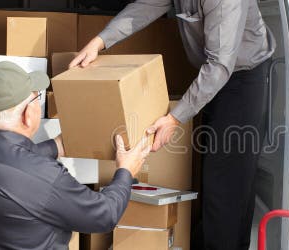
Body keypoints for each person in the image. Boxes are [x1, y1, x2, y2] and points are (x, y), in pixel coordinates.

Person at [70, 0, 275, 249]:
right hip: (212, 76)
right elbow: (145, 6)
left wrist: (174, 118)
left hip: (240, 79)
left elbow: (220, 66)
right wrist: (99, 42)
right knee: (219, 178)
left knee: (226, 182)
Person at [0, 61, 152, 249]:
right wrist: (125, 170)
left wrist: (57, 146)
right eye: (37, 97)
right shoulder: (44, 176)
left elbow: (11, 165)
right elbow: (104, 215)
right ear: (27, 114)